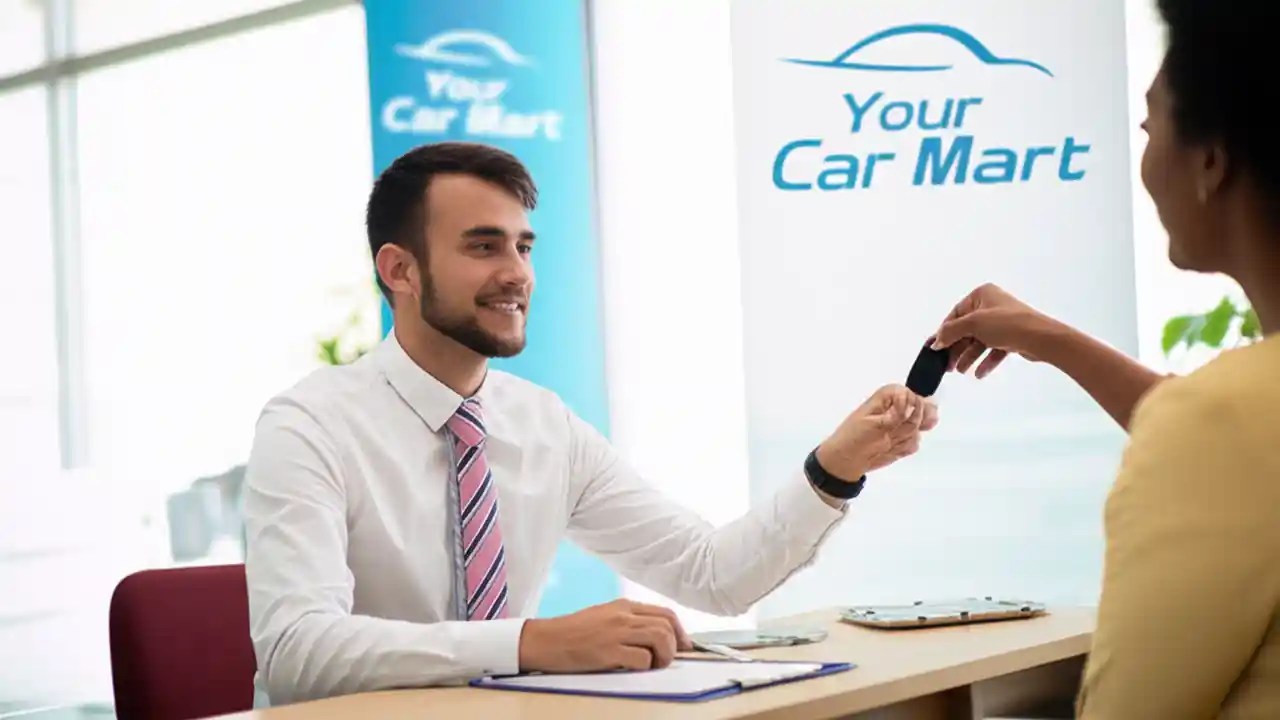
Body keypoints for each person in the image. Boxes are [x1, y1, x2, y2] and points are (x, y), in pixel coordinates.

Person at [243, 141, 938, 705]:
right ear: (399, 270)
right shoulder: (309, 426)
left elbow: (713, 575)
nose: (518, 273)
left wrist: (835, 468)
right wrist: (530, 644)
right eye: (484, 247)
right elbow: (298, 653)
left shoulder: (542, 424)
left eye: (525, 247)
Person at [931, 1, 1280, 717]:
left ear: (1210, 160)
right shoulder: (1238, 421)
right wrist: (1053, 340)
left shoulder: (1218, 424)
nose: (1146, 152)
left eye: (1150, 127)